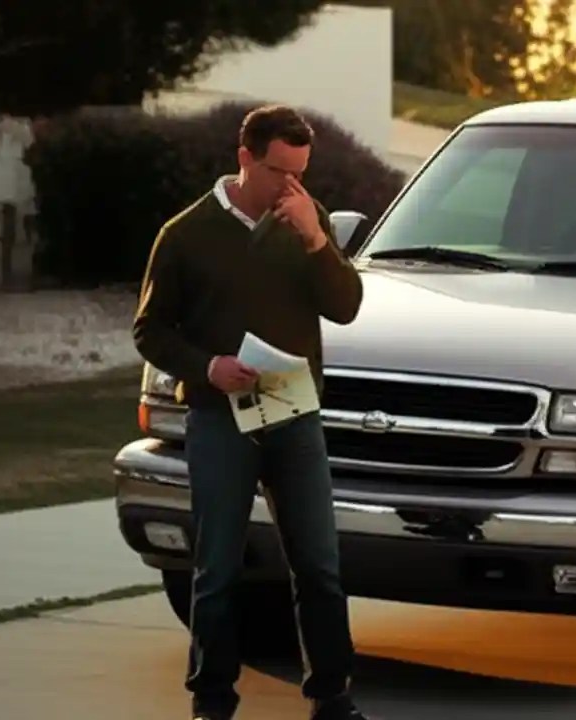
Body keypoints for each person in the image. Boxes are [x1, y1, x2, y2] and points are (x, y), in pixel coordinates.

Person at [133, 104, 368, 720]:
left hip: (294, 415)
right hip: (220, 415)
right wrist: (207, 366)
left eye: (300, 173)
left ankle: (332, 697)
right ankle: (212, 701)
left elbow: (344, 307)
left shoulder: (305, 218)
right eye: (277, 171)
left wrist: (317, 240)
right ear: (243, 158)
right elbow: (149, 331)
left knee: (319, 564)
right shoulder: (185, 235)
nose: (290, 186)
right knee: (216, 569)